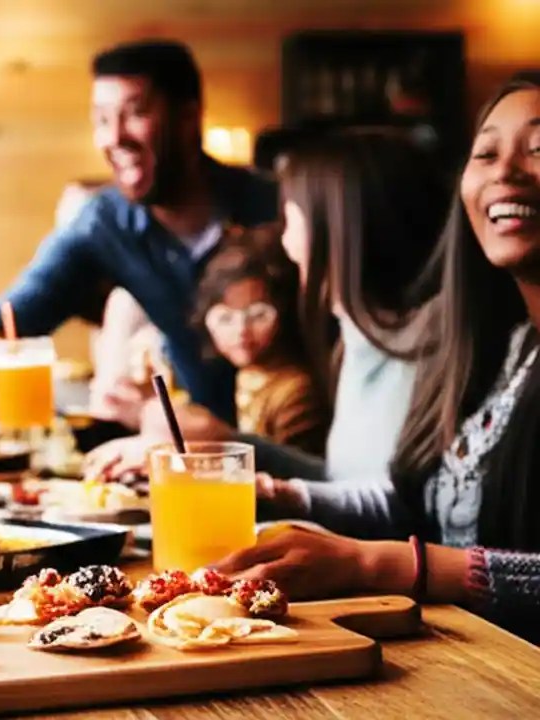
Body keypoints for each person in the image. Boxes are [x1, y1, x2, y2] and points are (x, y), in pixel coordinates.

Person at [0, 39, 279, 456]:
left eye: (135, 113)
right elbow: (12, 319)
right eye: (101, 119)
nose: (114, 137)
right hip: (198, 461)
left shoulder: (273, 208)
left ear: (188, 116)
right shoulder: (105, 222)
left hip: (303, 457)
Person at [214, 74, 540, 642]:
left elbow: (423, 545)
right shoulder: (508, 347)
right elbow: (418, 499)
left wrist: (386, 564)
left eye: (539, 150)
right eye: (485, 152)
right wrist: (279, 495)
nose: (505, 171)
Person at [89, 130, 447, 482]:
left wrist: (226, 454)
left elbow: (379, 512)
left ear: (338, 231)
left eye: (290, 219)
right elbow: (342, 485)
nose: (285, 241)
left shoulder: (409, 360)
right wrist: (219, 445)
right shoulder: (358, 344)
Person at [192, 228, 327, 453]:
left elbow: (295, 471)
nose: (242, 331)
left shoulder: (296, 390)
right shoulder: (250, 374)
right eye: (226, 319)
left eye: (258, 315)